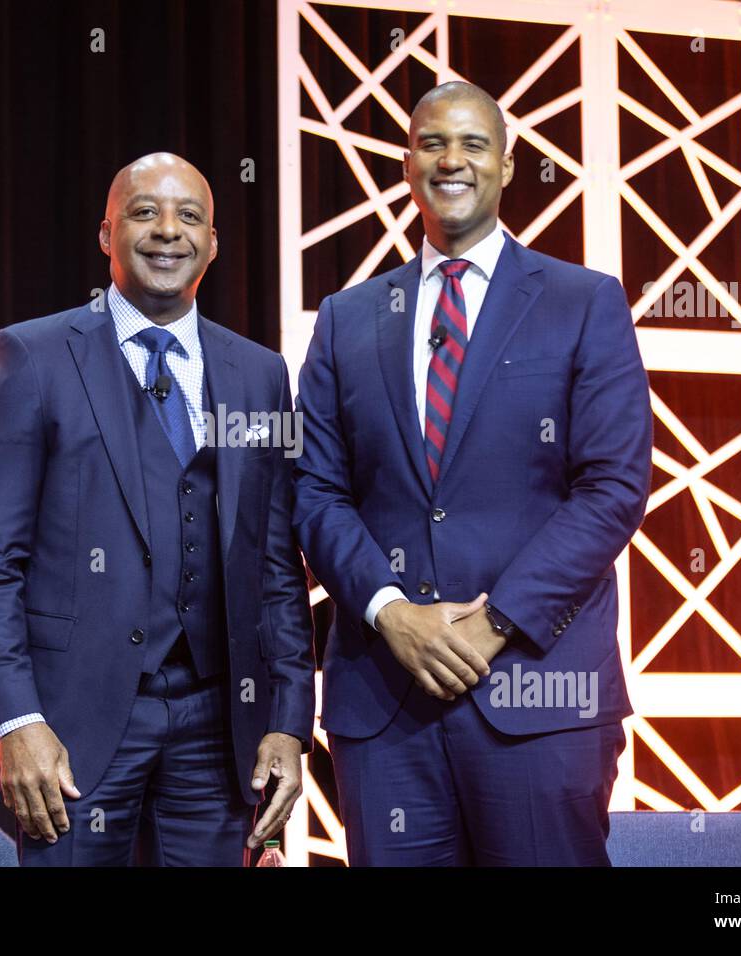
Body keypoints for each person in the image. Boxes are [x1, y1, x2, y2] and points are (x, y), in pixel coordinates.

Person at [293, 82, 652, 865]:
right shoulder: (346, 318)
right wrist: (392, 613)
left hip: (539, 696)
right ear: (406, 163)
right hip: (386, 708)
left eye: (473, 144)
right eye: (431, 143)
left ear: (507, 166)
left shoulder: (583, 302)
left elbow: (614, 488)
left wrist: (490, 626)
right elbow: (316, 491)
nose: (451, 160)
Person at [0, 152, 314, 866]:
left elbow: (277, 566)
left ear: (213, 243)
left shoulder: (260, 373)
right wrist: (15, 720)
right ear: (106, 234)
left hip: (220, 728)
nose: (167, 232)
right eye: (145, 212)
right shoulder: (32, 356)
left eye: (189, 216)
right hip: (71, 727)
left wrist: (289, 720)